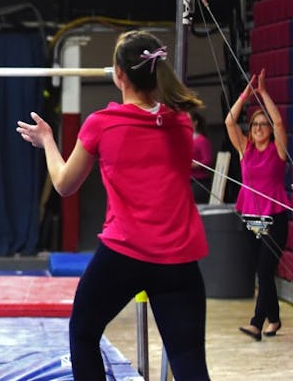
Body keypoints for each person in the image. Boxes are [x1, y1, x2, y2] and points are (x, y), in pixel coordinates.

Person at [16, 30, 210, 379]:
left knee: (84, 333)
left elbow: (64, 184)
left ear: (119, 74)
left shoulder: (102, 124)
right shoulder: (181, 124)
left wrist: (47, 139)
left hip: (125, 253)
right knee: (189, 358)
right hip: (178, 259)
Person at [225, 68, 289, 340]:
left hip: (274, 217)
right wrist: (246, 94)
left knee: (264, 269)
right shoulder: (245, 149)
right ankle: (274, 320)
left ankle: (256, 323)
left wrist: (263, 93)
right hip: (251, 217)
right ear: (250, 130)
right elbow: (229, 121)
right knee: (262, 273)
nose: (260, 128)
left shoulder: (278, 150)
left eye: (263, 125)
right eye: (255, 125)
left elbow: (279, 123)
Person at [189, 110, 213, 203]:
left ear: (195, 123)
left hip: (200, 181)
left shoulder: (201, 140)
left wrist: (193, 165)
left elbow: (208, 160)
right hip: (188, 180)